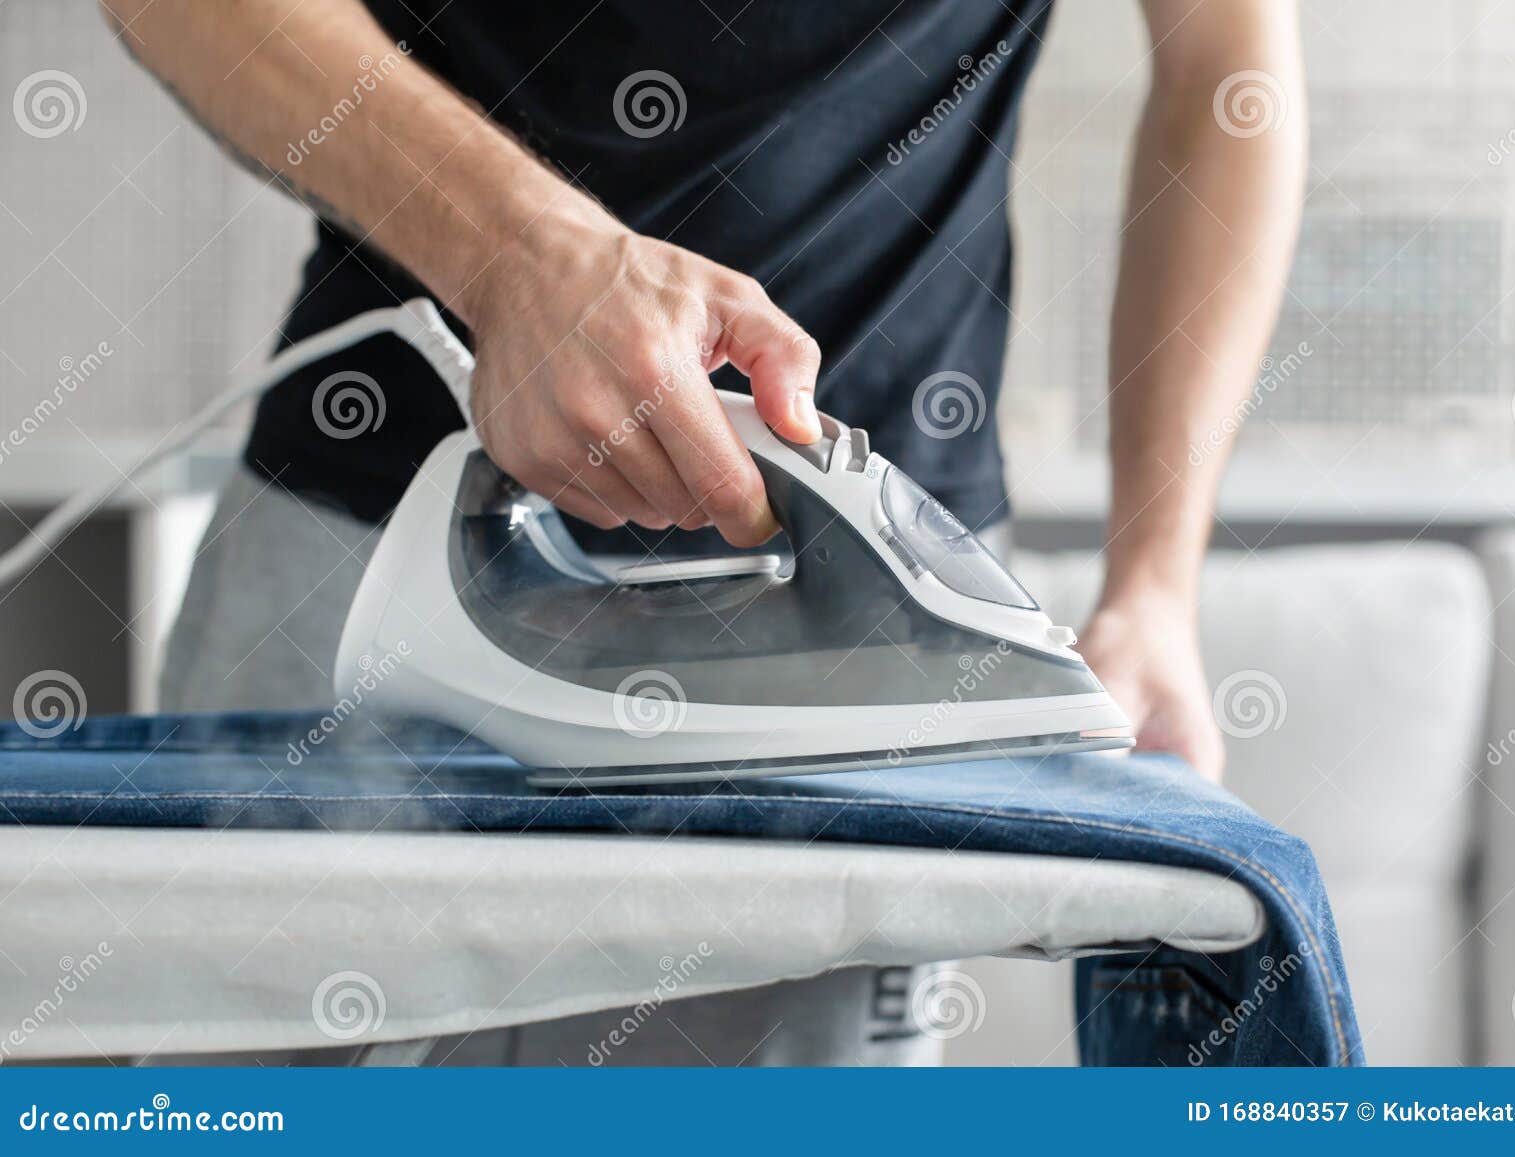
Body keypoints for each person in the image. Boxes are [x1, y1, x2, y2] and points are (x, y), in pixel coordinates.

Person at [104, 0, 1306, 1065]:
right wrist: (520, 251)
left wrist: (1153, 582)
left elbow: (1226, 75)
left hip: (852, 701)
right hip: (369, 555)